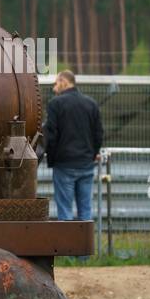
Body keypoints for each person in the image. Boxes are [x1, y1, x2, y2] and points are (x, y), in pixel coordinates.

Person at [45, 69, 104, 221]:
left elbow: (50, 136)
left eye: (56, 83)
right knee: (86, 211)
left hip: (64, 165)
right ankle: (86, 244)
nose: (54, 88)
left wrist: (52, 160)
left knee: (65, 212)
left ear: (64, 82)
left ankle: (67, 245)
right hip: (86, 164)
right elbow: (98, 134)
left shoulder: (55, 104)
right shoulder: (91, 104)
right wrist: (92, 155)